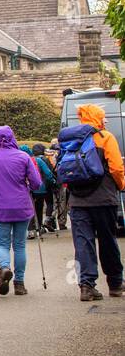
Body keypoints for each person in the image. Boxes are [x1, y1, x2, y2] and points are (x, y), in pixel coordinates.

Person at [62, 104, 125, 302]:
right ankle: (115, 283)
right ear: (97, 118)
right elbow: (116, 167)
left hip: (78, 200)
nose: (105, 120)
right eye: (103, 117)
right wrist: (121, 185)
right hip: (104, 198)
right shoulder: (105, 137)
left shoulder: (71, 139)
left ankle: (87, 286)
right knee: (107, 240)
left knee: (83, 243)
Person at [0, 125, 42, 296]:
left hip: (1, 205)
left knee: (3, 243)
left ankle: (5, 268)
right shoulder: (23, 156)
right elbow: (36, 182)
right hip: (22, 205)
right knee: (20, 245)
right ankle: (19, 283)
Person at [29, 143, 58, 236]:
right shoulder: (42, 160)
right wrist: (54, 181)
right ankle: (42, 224)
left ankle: (32, 228)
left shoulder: (30, 160)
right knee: (46, 204)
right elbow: (48, 173)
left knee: (33, 207)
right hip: (43, 187)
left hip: (31, 188)